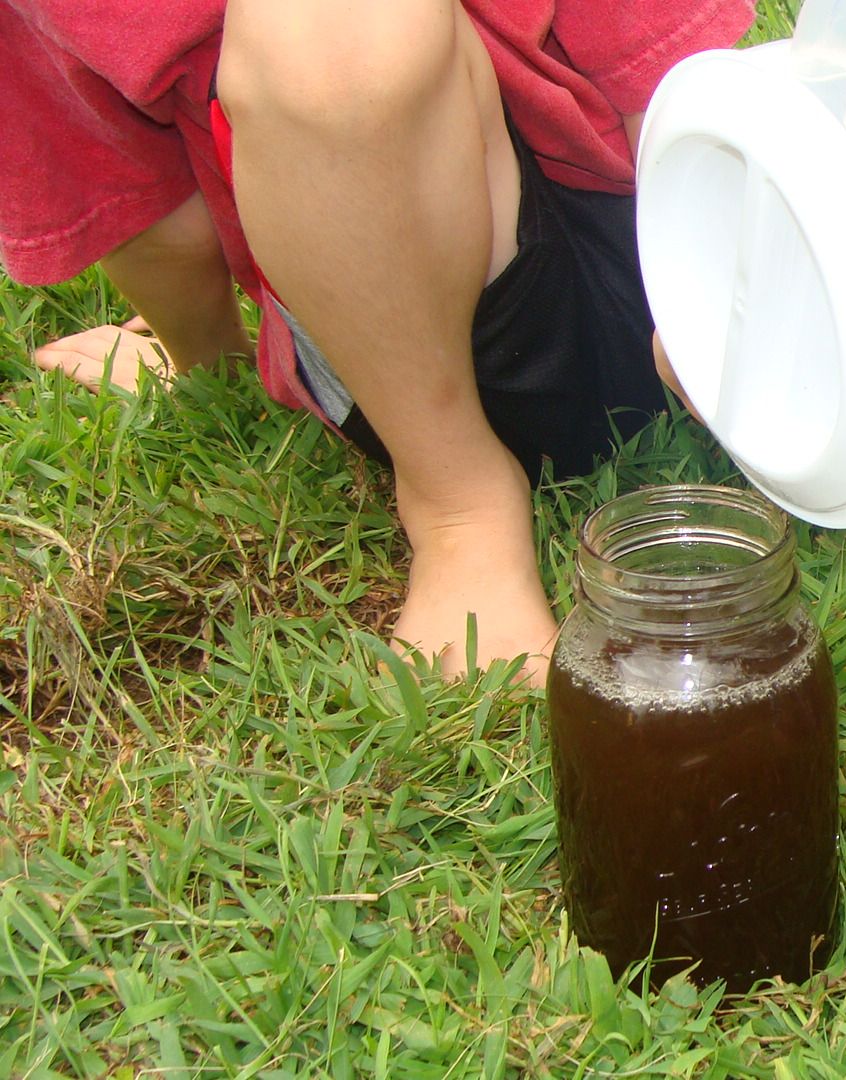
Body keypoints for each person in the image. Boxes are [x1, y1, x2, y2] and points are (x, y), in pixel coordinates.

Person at [2, 0, 754, 683]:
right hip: (438, 345)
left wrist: (700, 295)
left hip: (626, 278)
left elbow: (145, 203)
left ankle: (457, 497)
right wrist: (206, 370)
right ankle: (461, 513)